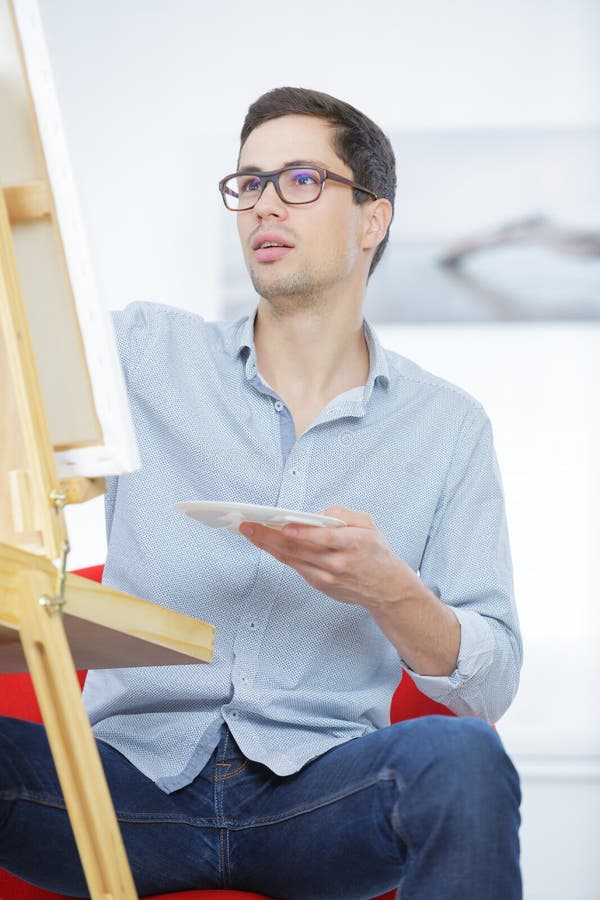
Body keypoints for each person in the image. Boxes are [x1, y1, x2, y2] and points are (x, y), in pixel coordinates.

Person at [0, 87, 522, 899]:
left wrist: (388, 589)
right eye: (248, 183)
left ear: (372, 221)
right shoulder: (142, 353)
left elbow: (490, 685)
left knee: (463, 758)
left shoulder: (448, 429)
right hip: (126, 793)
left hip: (319, 801)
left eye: (301, 180)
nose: (264, 204)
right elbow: (18, 354)